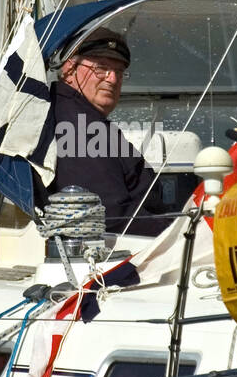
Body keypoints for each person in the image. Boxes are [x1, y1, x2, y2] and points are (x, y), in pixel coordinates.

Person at [46, 28, 172, 236]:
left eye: (119, 71)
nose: (112, 79)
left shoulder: (78, 116)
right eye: (101, 68)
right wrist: (179, 232)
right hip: (121, 253)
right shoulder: (77, 127)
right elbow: (109, 215)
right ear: (69, 68)